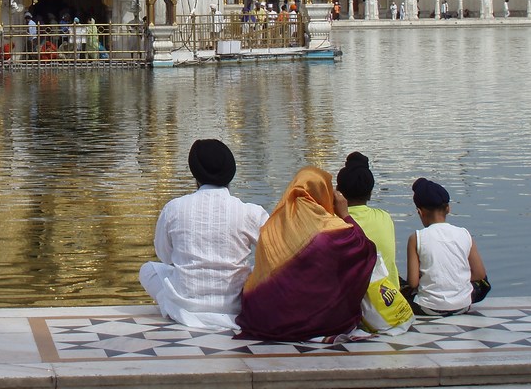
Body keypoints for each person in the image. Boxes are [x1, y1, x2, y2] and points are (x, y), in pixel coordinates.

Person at [140, 139, 268, 331]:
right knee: (261, 269)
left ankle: (176, 306)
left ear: (195, 174)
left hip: (185, 304)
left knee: (147, 270)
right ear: (230, 172)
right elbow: (277, 253)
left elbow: (165, 256)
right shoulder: (251, 212)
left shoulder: (174, 208)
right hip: (235, 305)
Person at [236, 166, 376, 341]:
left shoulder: (273, 227)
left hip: (272, 320)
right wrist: (345, 215)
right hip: (324, 322)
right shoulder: (334, 229)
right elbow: (367, 249)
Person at [404, 178, 488, 317]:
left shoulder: (416, 238)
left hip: (428, 307)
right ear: (448, 208)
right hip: (462, 305)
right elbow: (480, 274)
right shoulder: (464, 234)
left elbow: (413, 283)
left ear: (420, 212)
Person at [337, 152, 399, 288]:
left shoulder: (333, 222)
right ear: (370, 193)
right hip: (389, 296)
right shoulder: (385, 217)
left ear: (339, 192)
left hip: (354, 298)